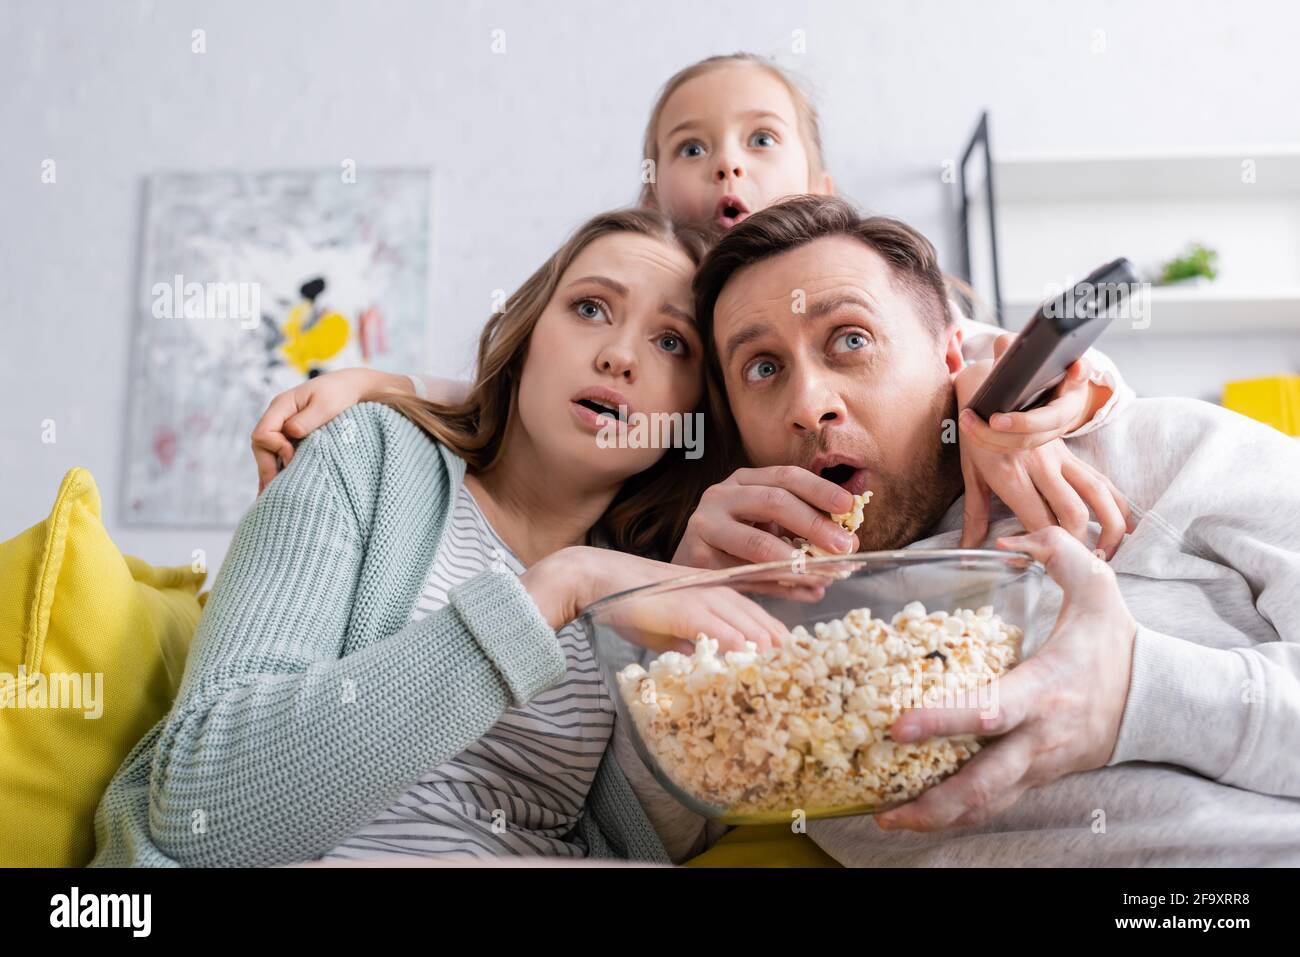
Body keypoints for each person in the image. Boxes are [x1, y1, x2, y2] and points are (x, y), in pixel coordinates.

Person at [89, 208, 788, 867]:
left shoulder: (652, 588)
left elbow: (647, 840)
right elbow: (202, 801)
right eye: (590, 307)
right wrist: (551, 590)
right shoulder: (362, 457)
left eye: (672, 342)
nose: (618, 355)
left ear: (690, 409)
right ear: (527, 334)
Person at [249, 53, 1131, 550]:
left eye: (760, 139)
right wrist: (385, 384)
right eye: (691, 146)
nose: (727, 165)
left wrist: (1008, 397)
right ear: (648, 193)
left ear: (821, 187)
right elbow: (539, 401)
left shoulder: (881, 304)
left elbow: (1002, 361)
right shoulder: (651, 325)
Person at [680, 193, 1300, 865]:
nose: (809, 405)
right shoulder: (746, 624)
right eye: (763, 368)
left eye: (851, 340)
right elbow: (615, 829)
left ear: (953, 357)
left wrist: (1137, 694)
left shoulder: (1152, 454)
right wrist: (672, 612)